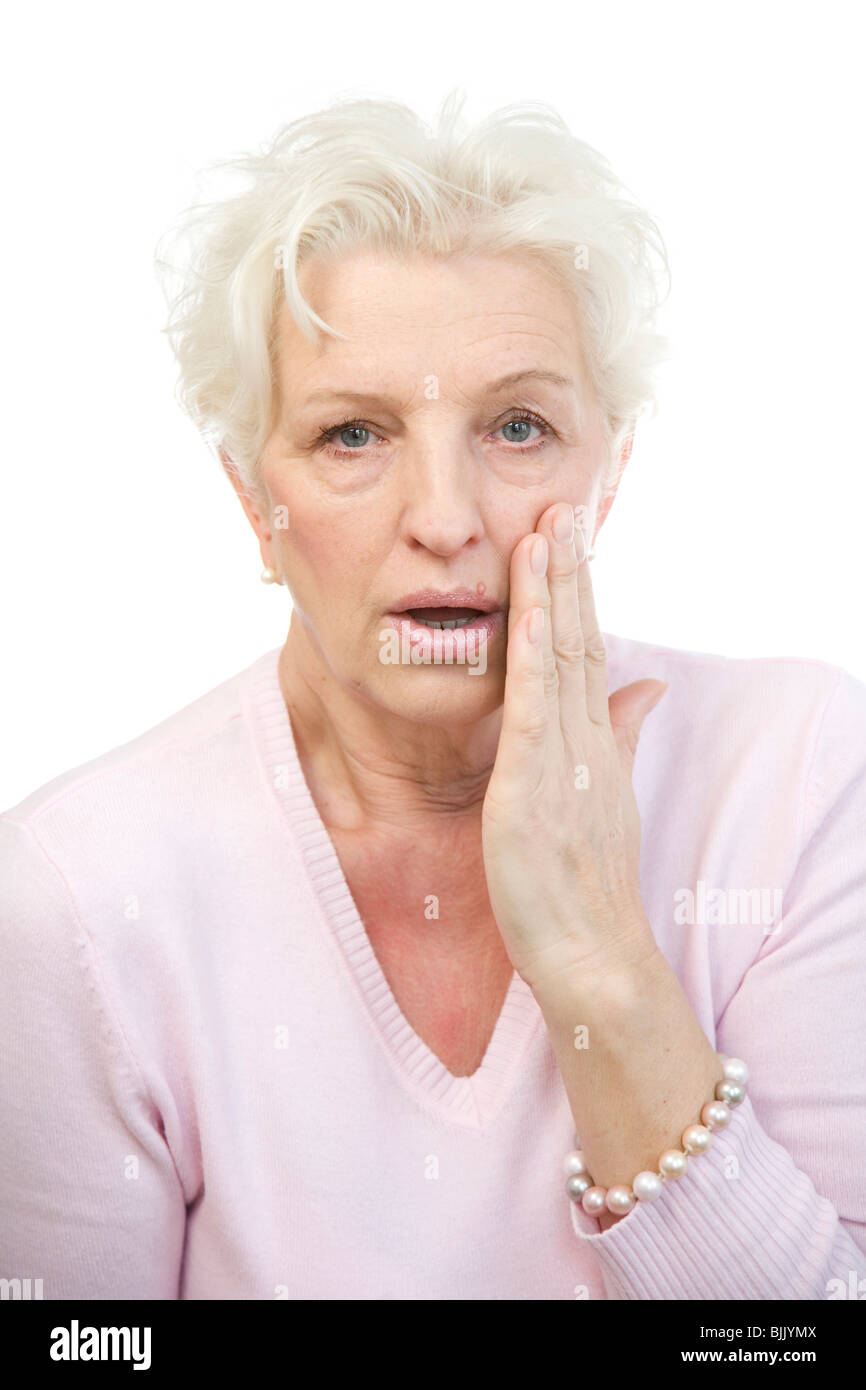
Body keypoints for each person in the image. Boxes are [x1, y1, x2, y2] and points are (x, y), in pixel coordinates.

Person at [2, 90, 865, 1300]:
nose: (445, 519)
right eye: (351, 436)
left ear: (605, 478)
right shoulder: (78, 892)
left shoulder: (799, 775)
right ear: (257, 505)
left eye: (517, 426)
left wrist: (599, 959)